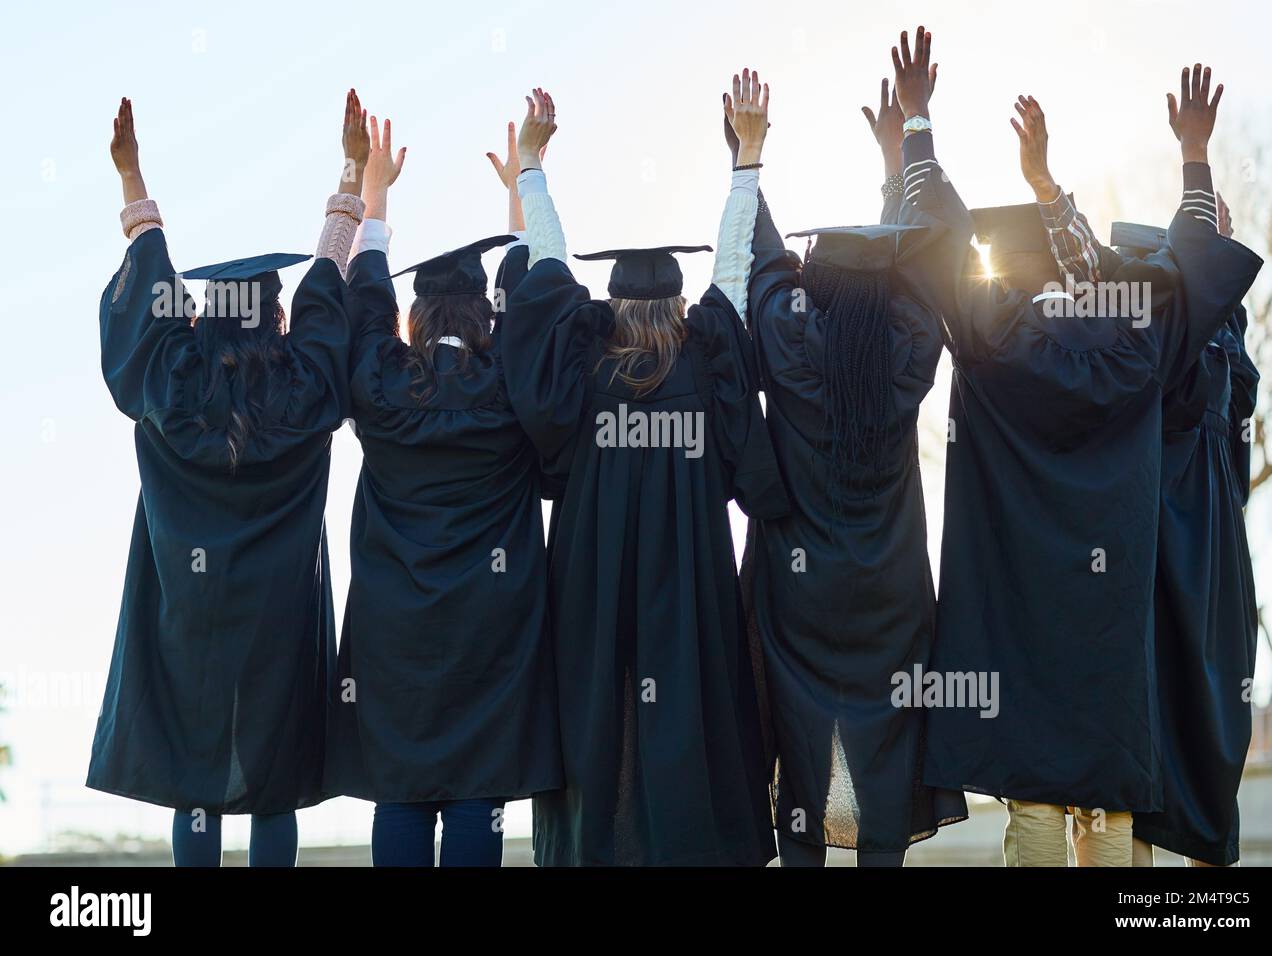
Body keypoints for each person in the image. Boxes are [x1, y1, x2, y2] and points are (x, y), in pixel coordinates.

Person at [884, 28, 1262, 866]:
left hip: (1017, 613)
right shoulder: (1140, 347)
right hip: (1111, 616)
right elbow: (1185, 273)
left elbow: (938, 239)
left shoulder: (985, 338)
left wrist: (917, 129)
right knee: (1115, 793)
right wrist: (1192, 161)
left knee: (1036, 797)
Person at [497, 83, 788, 866]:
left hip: (589, 592)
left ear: (613, 300)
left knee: (600, 734)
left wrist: (532, 171)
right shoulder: (708, 365)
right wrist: (746, 163)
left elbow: (550, 277)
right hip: (689, 590)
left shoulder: (581, 375)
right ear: (677, 300)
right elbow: (732, 274)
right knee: (686, 730)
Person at [89, 92, 366, 866]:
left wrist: (133, 179)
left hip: (189, 604)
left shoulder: (174, 381)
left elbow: (149, 289)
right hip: (280, 608)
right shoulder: (306, 383)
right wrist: (351, 174)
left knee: (198, 774)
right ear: (275, 315)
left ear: (205, 312)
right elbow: (326, 281)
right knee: (273, 780)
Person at [736, 76, 967, 866]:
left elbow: (759, 262)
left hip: (798, 597)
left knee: (802, 756)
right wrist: (903, 156)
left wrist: (746, 155)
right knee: (883, 760)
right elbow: (928, 263)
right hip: (890, 594)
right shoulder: (908, 352)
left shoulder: (789, 346)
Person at [322, 114, 563, 867]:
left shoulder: (383, 383)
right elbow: (532, 308)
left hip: (396, 626)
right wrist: (526, 187)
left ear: (414, 318)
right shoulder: (509, 387)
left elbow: (361, 303)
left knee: (400, 788)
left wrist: (374, 197)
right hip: (491, 625)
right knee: (476, 789)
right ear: (485, 318)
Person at [1127, 191, 1260, 868]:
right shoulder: (1155, 337)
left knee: (1208, 731)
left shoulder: (1219, 340)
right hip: (1166, 531)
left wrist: (1218, 272)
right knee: (1160, 737)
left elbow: (1236, 407)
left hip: (1205, 534)